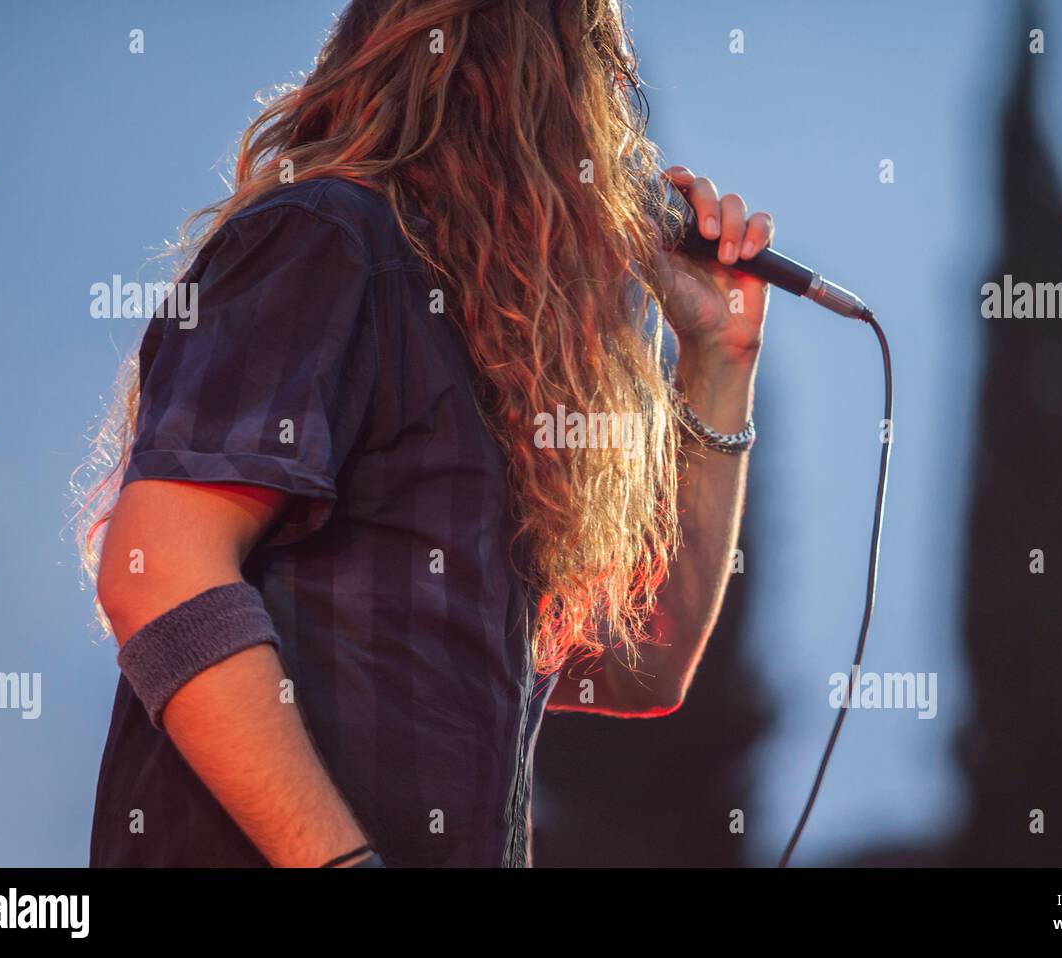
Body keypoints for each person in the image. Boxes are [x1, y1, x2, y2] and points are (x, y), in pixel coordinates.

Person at [74, 0, 773, 868]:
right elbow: (162, 572)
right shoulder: (326, 238)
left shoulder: (493, 359)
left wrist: (718, 360)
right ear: (540, 93)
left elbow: (644, 664)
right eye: (604, 88)